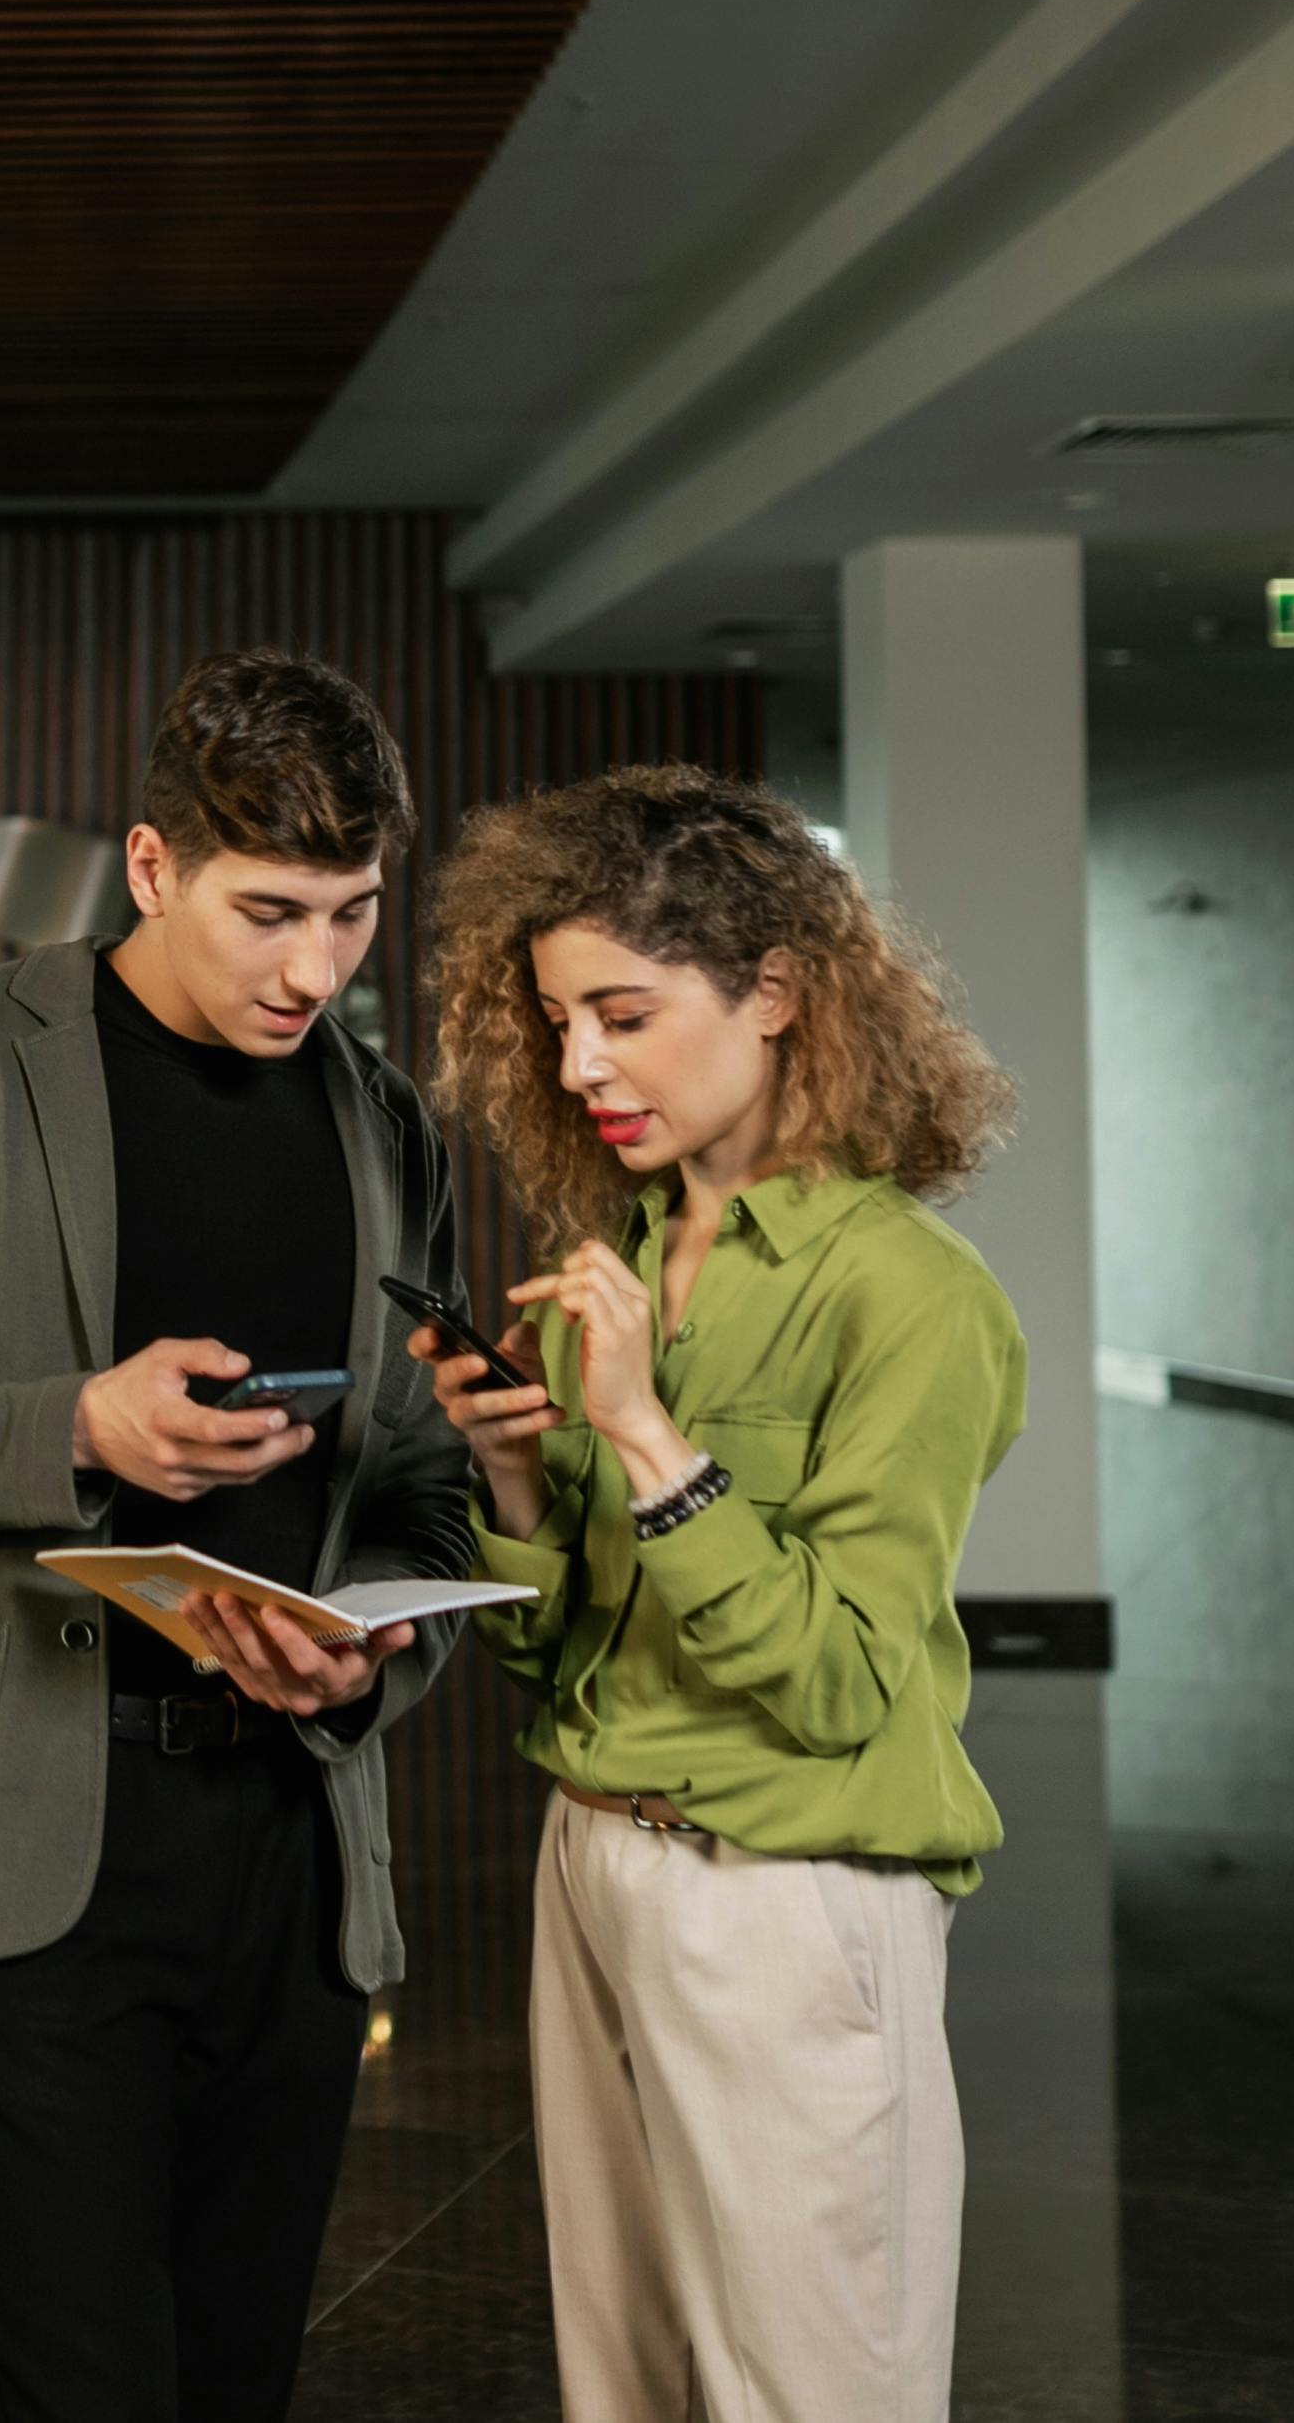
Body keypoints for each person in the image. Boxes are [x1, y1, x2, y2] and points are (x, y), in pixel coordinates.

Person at [0, 649, 483, 2423]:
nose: (317, 968)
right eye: (270, 912)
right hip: (34, 1847)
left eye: (355, 913)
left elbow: (419, 1475)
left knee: (235, 2379)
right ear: (150, 867)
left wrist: (381, 1642)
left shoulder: (383, 1121)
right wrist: (74, 1424)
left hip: (298, 1851)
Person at [410, 763, 1027, 2423]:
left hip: (788, 1891)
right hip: (592, 1861)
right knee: (629, 2383)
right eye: (551, 1021)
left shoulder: (910, 1293)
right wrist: (526, 1469)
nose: (578, 1063)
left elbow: (834, 1675)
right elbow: (564, 1652)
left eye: (623, 1010)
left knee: (821, 2388)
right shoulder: (611, 1262)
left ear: (775, 994)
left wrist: (647, 1434)